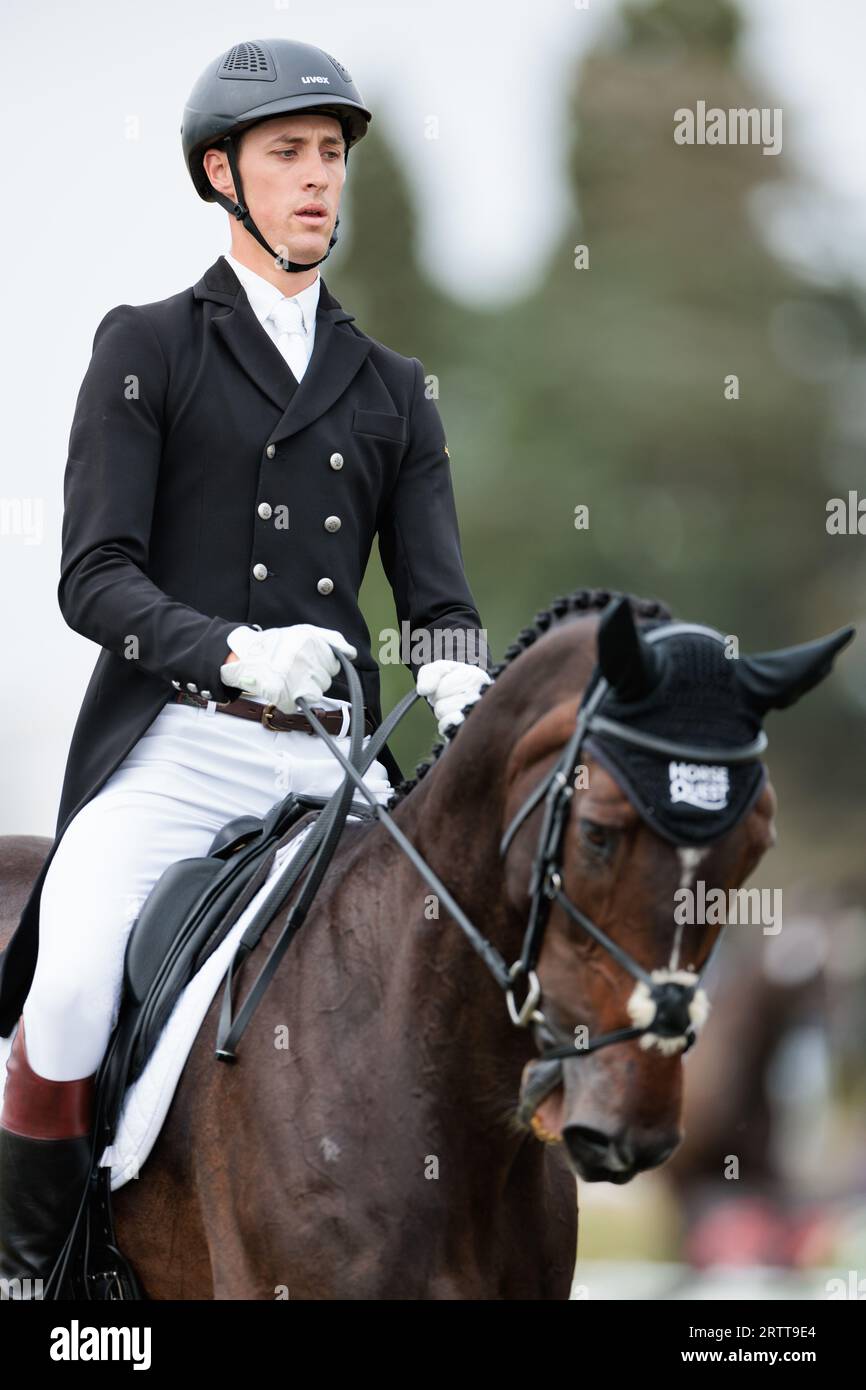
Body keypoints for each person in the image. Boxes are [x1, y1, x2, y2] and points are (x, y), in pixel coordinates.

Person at [0, 36, 491, 1296]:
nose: (318, 179)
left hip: (333, 772)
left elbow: (436, 600)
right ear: (221, 174)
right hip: (174, 743)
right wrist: (231, 649)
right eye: (288, 155)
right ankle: (36, 1278)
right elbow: (91, 577)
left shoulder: (391, 387)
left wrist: (456, 679)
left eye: (330, 155)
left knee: (462, 974)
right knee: (59, 999)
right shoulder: (148, 346)